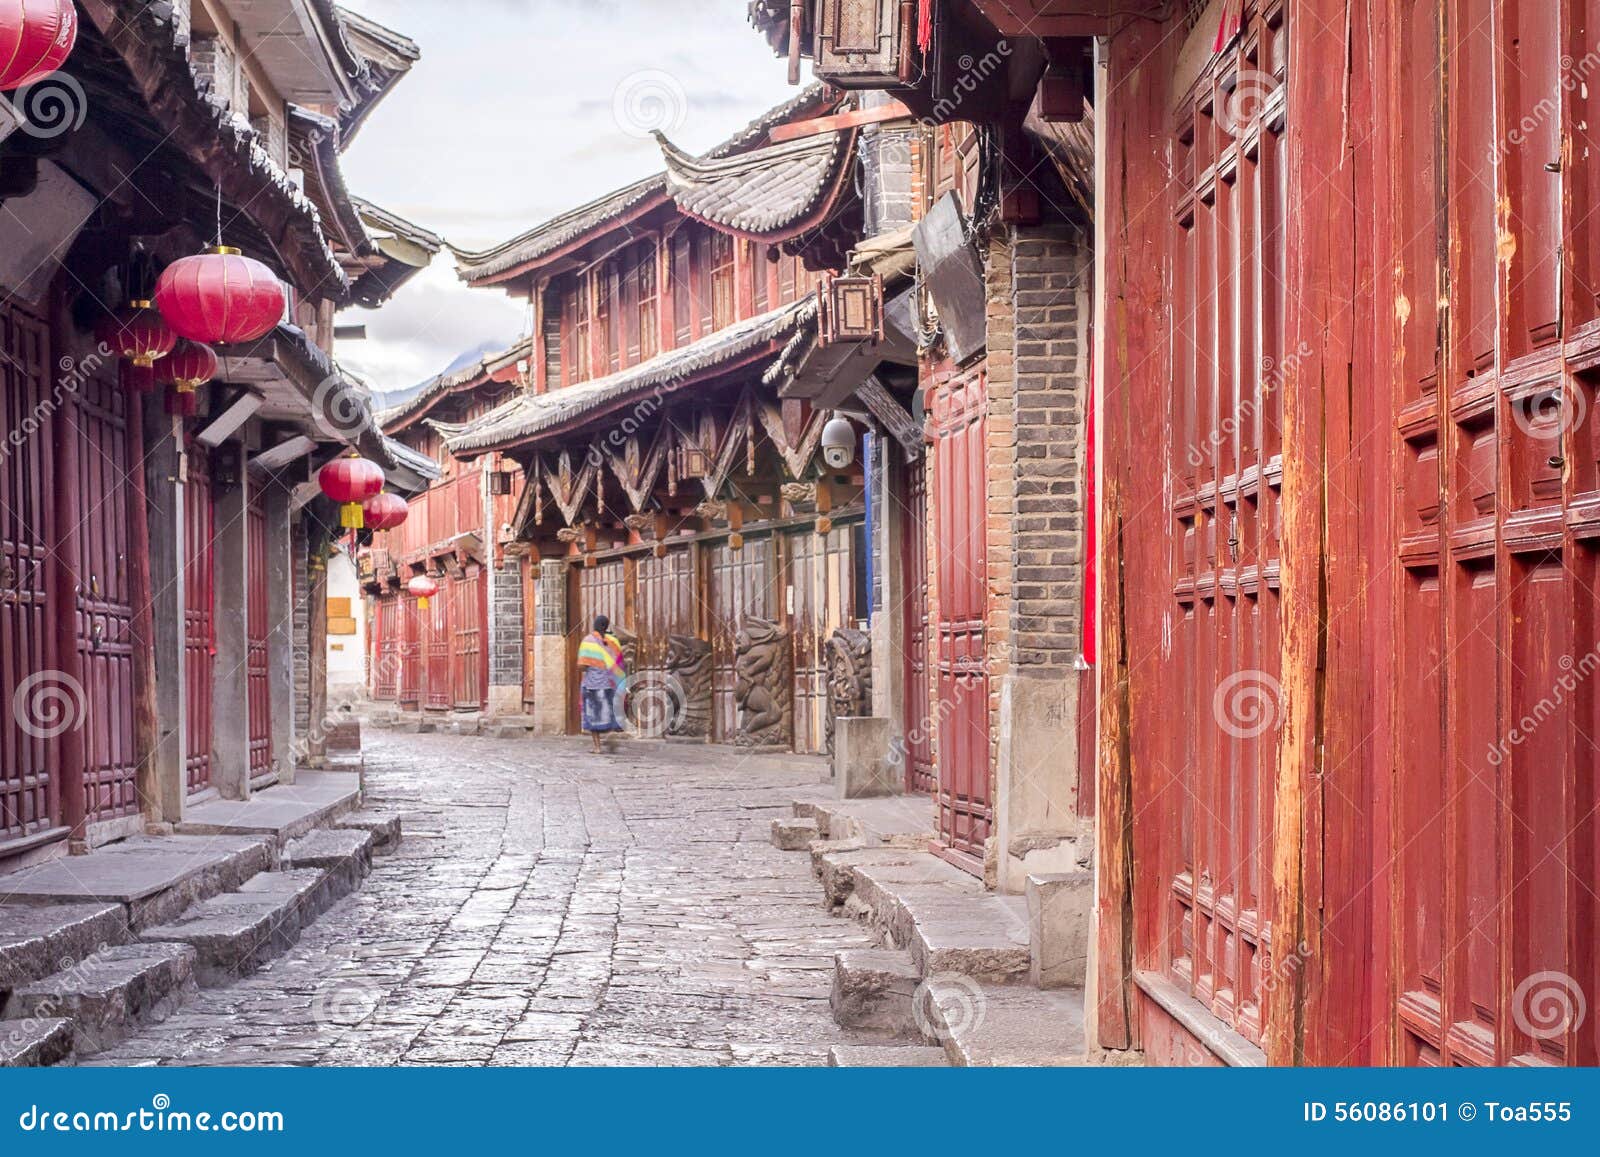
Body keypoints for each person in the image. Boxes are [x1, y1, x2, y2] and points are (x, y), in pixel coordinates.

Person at [577, 615, 626, 752]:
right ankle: (611, 736)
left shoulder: (588, 641)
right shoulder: (614, 641)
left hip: (593, 685)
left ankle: (597, 747)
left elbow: (581, 665)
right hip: (610, 684)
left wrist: (593, 665)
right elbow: (619, 663)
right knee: (610, 712)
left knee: (593, 715)